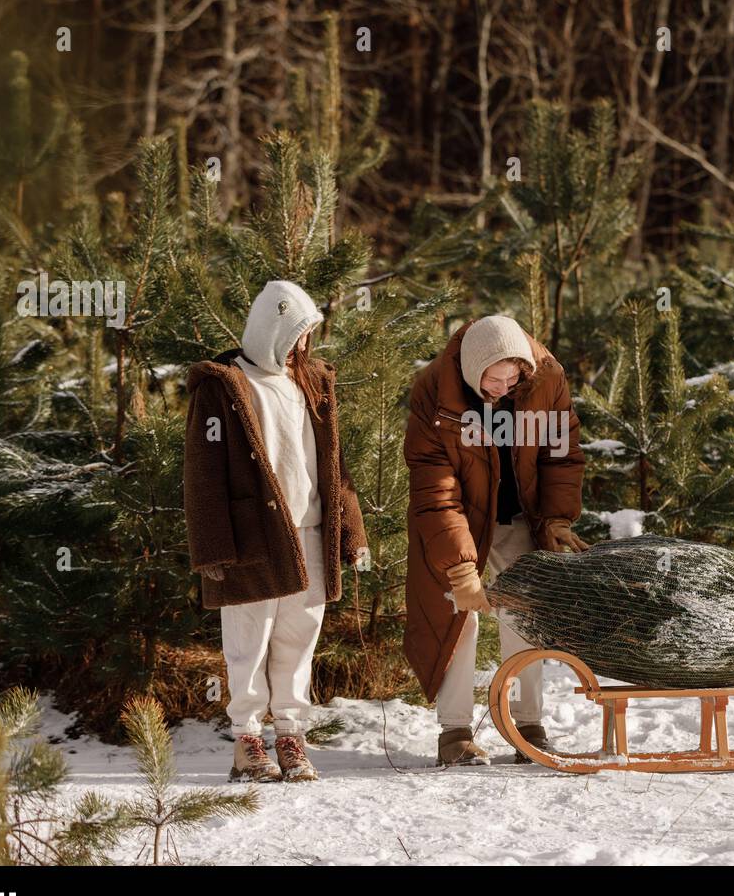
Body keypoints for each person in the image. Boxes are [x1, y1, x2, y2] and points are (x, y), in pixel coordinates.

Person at [183, 280, 367, 782]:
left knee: (297, 639)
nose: (300, 345)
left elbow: (335, 465)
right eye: (293, 333)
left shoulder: (313, 382)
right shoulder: (224, 386)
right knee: (249, 642)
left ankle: (290, 734)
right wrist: (212, 548)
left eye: (306, 335)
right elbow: (202, 473)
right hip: (252, 539)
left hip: (311, 533)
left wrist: (351, 532)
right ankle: (247, 740)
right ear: (268, 329)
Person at [403, 314, 587, 766]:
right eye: (493, 379)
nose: (504, 388)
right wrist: (460, 565)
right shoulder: (435, 389)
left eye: (513, 378)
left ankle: (527, 724)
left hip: (519, 514)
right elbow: (436, 487)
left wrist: (557, 518)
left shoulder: (547, 378)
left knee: (523, 612)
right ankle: (455, 731)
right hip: (458, 516)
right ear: (472, 370)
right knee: (457, 612)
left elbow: (560, 453)